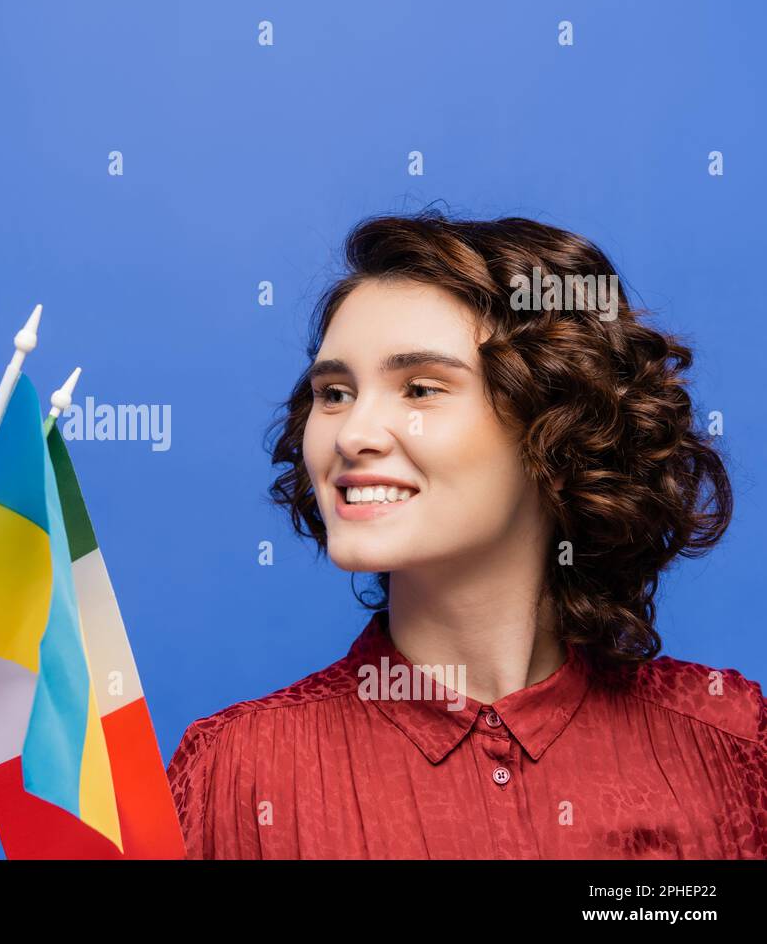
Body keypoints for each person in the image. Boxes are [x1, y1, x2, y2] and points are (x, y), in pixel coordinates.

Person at [166, 211, 767, 858]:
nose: (350, 434)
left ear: (555, 427)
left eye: (420, 388)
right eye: (334, 392)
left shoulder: (727, 742)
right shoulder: (233, 772)